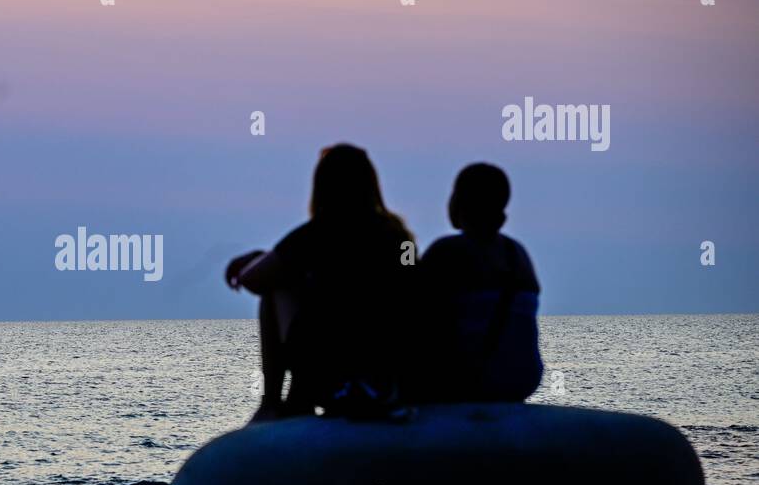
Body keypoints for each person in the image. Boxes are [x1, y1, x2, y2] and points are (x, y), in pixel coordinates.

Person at [226, 144, 416, 422]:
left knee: (275, 288)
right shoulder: (399, 237)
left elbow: (253, 279)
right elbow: (414, 282)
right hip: (390, 372)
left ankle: (271, 404)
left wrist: (257, 259)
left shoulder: (319, 233)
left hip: (328, 374)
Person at [415, 163, 543, 402]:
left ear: (460, 202)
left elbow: (415, 315)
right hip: (521, 382)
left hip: (470, 382)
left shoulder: (447, 252)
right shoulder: (518, 255)